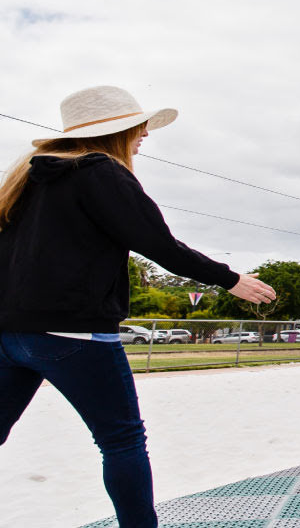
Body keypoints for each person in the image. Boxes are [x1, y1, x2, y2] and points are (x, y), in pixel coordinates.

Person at [0, 85, 276, 527]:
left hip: (10, 334)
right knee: (122, 441)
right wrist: (231, 279)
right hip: (74, 333)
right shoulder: (101, 172)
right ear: (119, 131)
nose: (145, 133)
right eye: (138, 126)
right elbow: (156, 243)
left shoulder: (25, 182)